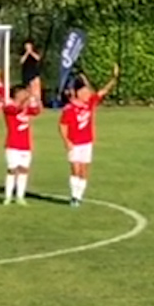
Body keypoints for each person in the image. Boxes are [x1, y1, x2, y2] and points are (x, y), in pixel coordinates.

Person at [61, 62, 120, 208]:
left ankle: (79, 197)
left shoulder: (90, 103)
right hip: (74, 142)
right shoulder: (70, 108)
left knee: (83, 170)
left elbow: (102, 91)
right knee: (75, 169)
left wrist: (113, 78)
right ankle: (73, 196)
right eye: (85, 92)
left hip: (86, 142)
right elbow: (62, 125)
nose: (88, 94)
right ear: (79, 93)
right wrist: (66, 141)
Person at [2, 88, 42, 205]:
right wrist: (27, 98)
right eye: (22, 93)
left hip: (25, 145)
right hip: (12, 144)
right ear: (16, 94)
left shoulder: (27, 108)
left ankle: (20, 196)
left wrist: (37, 97)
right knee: (12, 170)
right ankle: (8, 196)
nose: (25, 94)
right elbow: (18, 108)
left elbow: (38, 110)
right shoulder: (9, 107)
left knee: (24, 170)